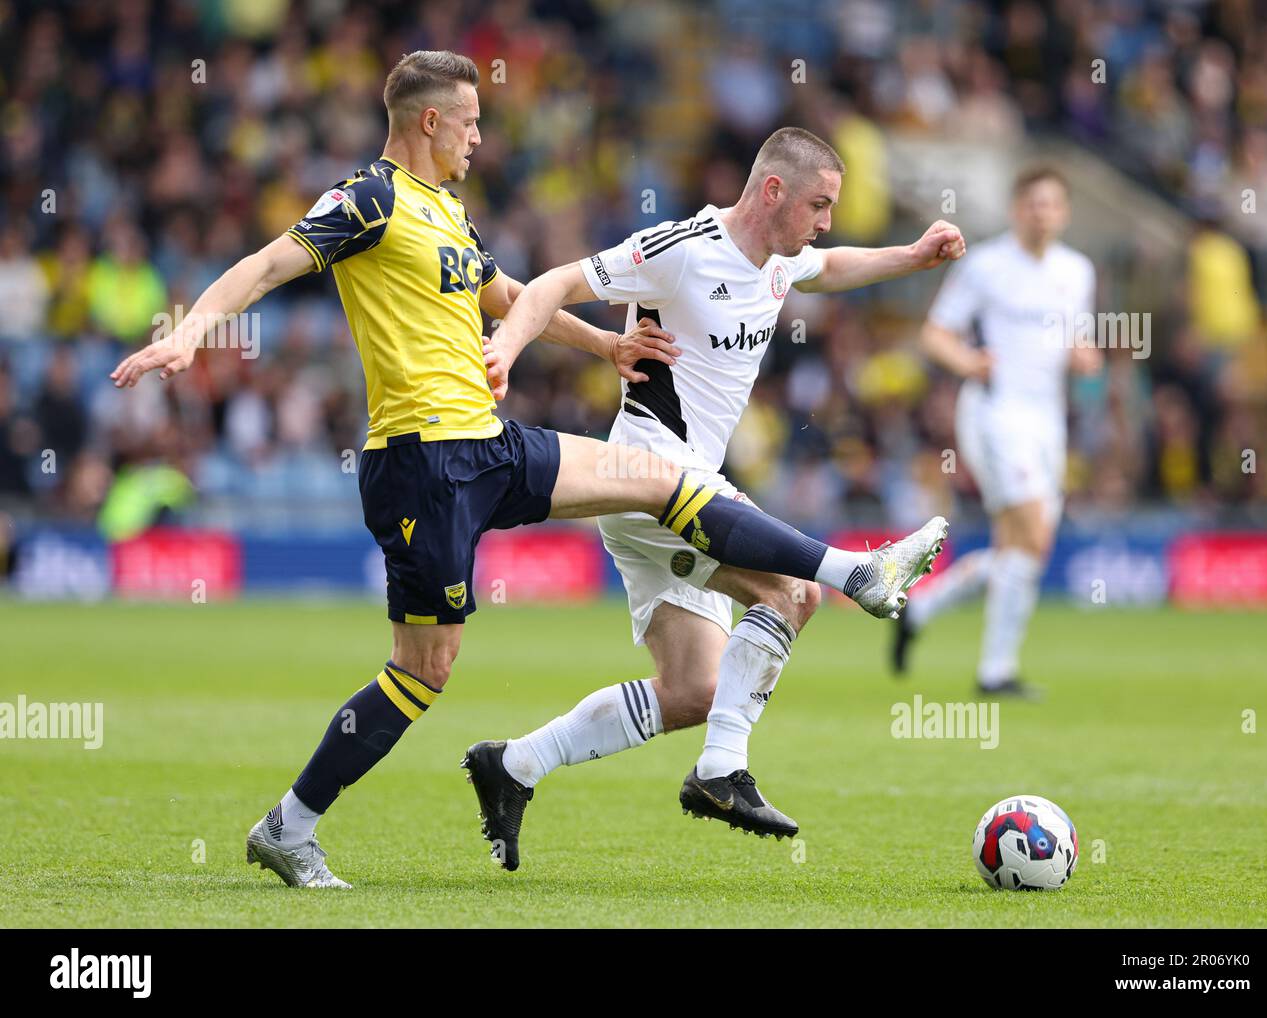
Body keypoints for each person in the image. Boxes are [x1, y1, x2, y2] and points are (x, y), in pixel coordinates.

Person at [110, 53, 949, 889]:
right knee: (423, 669)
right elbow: (267, 264)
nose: (481, 136)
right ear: (430, 121)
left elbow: (510, 295)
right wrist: (193, 330)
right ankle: (289, 828)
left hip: (491, 442)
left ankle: (850, 572)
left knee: (661, 482)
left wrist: (609, 344)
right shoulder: (370, 199)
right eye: (471, 121)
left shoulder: (449, 210)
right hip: (422, 464)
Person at [464, 127, 962, 870]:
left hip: (677, 487)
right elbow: (553, 285)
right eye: (818, 204)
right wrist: (506, 347)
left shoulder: (779, 261)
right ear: (772, 192)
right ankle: (727, 763)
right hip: (646, 475)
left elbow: (830, 266)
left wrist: (913, 257)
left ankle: (512, 766)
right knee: (792, 593)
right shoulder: (682, 248)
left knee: (696, 688)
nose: (825, 220)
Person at [894, 166, 1101, 698]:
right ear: (1016, 209)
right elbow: (935, 334)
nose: (1042, 213)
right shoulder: (986, 265)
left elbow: (1075, 341)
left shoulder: (1077, 271)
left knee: (1025, 545)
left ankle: (921, 608)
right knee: (1029, 532)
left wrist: (1084, 357)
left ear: (1065, 213)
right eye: (1033, 203)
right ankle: (996, 673)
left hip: (1047, 419)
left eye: (1052, 204)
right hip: (995, 412)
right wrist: (967, 362)